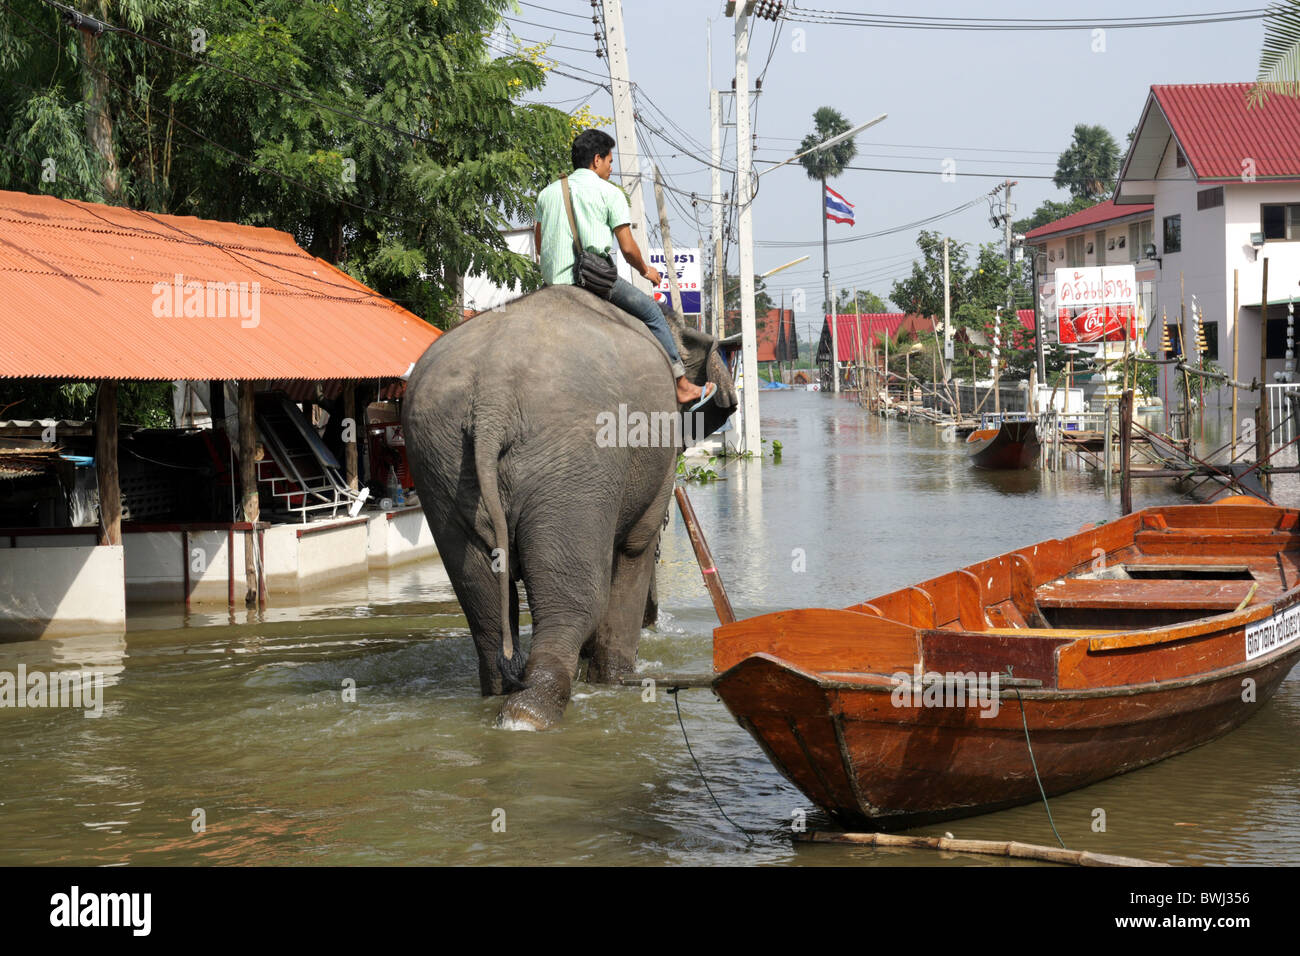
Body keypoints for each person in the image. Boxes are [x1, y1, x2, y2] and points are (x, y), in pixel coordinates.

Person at [535, 129, 715, 409]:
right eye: (609, 160)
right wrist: (647, 271)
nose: (611, 167)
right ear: (596, 160)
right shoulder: (609, 193)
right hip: (592, 282)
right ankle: (682, 385)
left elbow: (539, 243)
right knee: (653, 313)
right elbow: (628, 248)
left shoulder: (546, 193)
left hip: (551, 285)